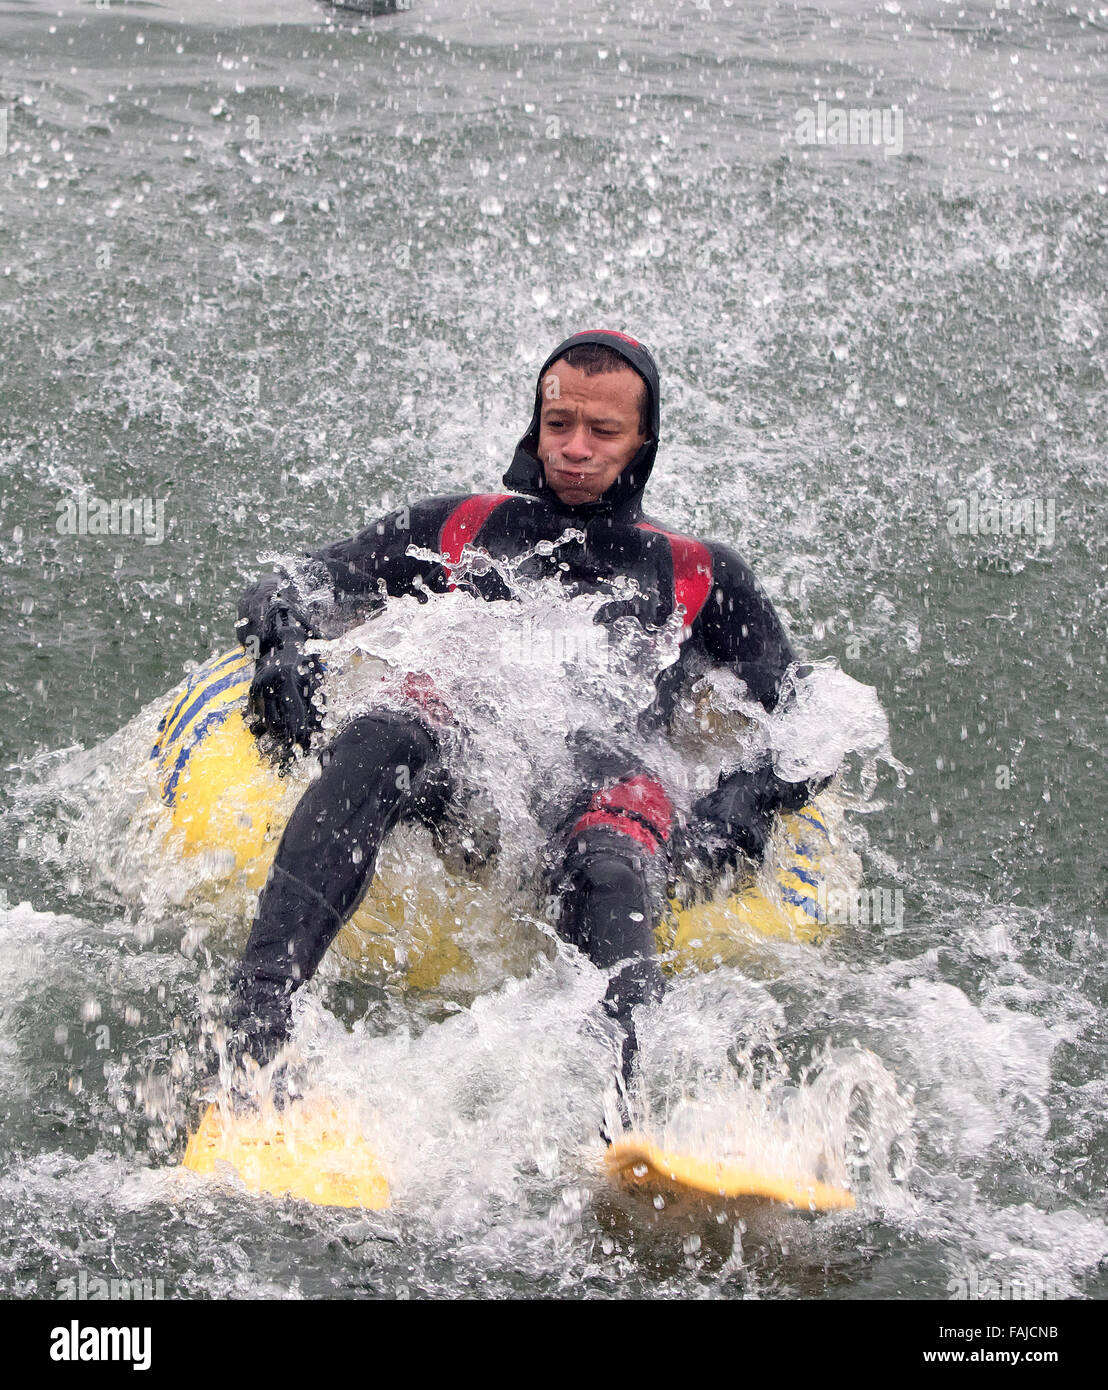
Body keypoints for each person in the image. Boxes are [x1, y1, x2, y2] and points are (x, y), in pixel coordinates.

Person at [227, 329, 821, 1123]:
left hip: (605, 789)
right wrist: (281, 643)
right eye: (558, 425)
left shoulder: (698, 570)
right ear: (534, 425)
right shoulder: (458, 525)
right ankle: (258, 1030)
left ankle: (637, 1112)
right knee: (386, 735)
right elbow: (296, 580)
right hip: (471, 774)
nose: (575, 450)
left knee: (608, 859)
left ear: (644, 441)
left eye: (603, 432)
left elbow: (811, 715)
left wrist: (746, 802)